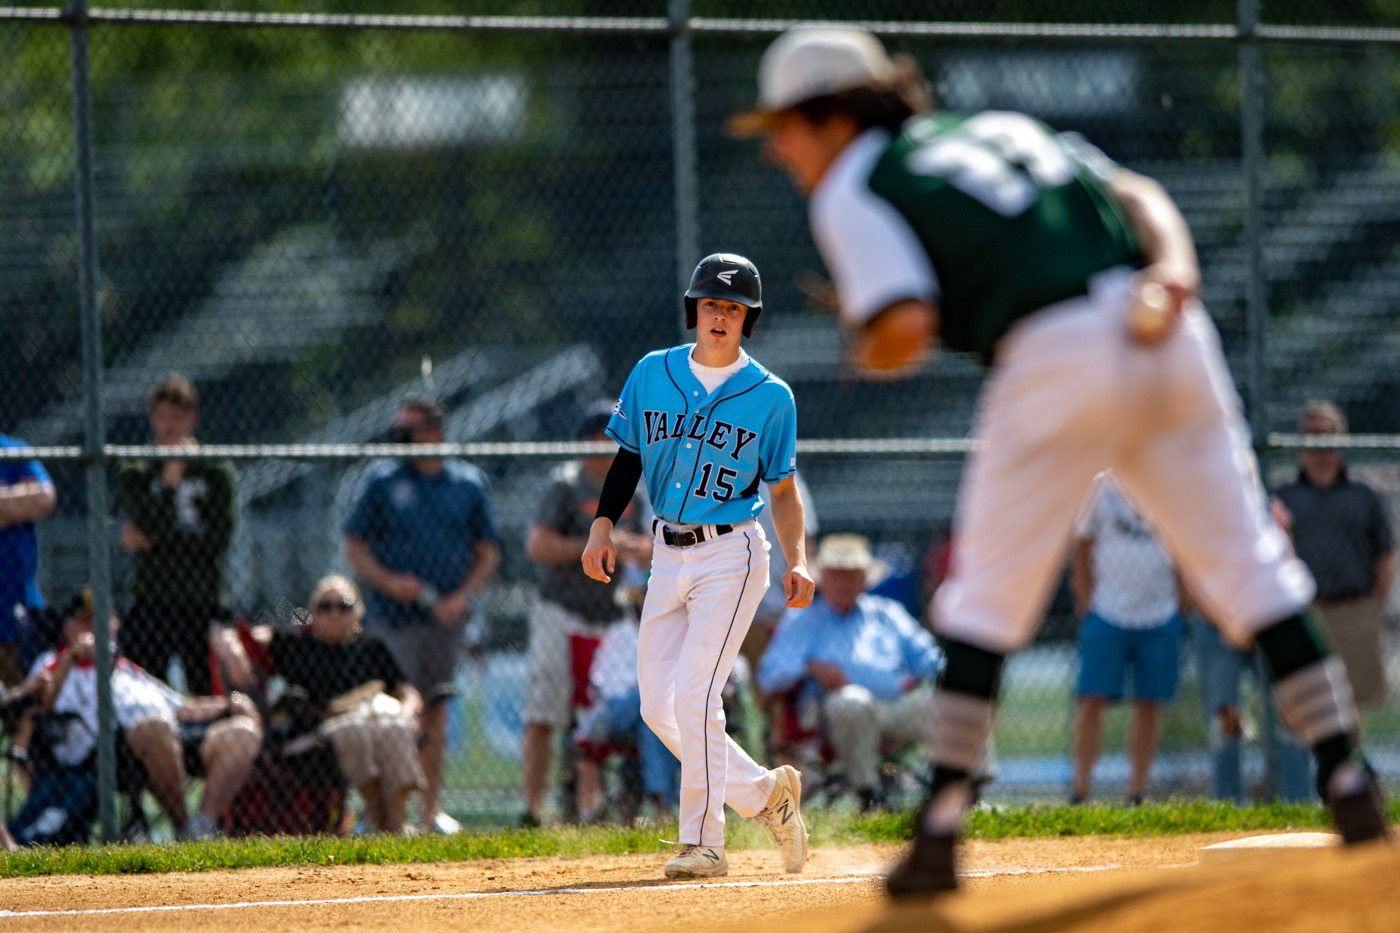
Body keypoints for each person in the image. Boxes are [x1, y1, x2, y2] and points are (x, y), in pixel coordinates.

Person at [731, 26, 1390, 896]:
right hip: (1168, 333)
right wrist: (1177, 272)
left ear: (831, 115)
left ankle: (939, 831)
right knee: (1251, 570)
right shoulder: (1004, 127)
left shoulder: (854, 184)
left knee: (987, 594)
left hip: (1051, 352)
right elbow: (1139, 192)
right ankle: (1349, 776)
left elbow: (905, 329)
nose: (778, 146)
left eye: (787, 125)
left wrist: (862, 338)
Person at [582, 253, 817, 880]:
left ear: (748, 320)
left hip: (732, 554)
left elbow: (784, 492)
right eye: (712, 304)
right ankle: (768, 797)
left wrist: (798, 558)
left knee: (696, 695)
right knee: (658, 706)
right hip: (666, 553)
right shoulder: (651, 373)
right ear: (696, 310)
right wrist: (602, 524)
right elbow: (628, 458)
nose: (721, 316)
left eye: (734, 308)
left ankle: (704, 843)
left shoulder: (770, 396)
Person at [343, 396, 500, 834]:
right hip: (393, 619)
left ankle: (430, 813)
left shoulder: (467, 483)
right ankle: (383, 816)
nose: (400, 442)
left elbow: (487, 553)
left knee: (436, 711)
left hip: (446, 620)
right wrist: (392, 583)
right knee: (389, 712)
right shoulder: (381, 481)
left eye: (408, 433)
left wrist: (462, 597)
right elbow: (354, 547)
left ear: (434, 433)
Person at [10, 588, 261, 844]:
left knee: (243, 732)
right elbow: (40, 705)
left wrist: (234, 702)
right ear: (67, 628)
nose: (93, 629)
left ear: (114, 626)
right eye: (85, 622)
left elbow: (184, 708)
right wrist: (71, 657)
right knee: (156, 726)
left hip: (167, 738)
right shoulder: (53, 662)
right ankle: (184, 829)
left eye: (101, 621)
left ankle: (202, 824)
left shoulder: (126, 667)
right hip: (108, 751)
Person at [520, 401, 652, 827]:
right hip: (561, 608)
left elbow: (657, 547)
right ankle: (532, 811)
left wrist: (630, 548)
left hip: (613, 616)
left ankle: (591, 809)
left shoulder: (637, 487)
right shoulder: (565, 484)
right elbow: (538, 546)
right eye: (598, 436)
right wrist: (599, 544)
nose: (605, 444)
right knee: (545, 709)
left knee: (599, 713)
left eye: (612, 436)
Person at [212, 575, 426, 834]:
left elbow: (408, 692)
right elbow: (238, 634)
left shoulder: (371, 647)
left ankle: (396, 825)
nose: (334, 613)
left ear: (358, 612)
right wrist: (231, 650)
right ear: (312, 614)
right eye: (325, 607)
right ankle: (386, 823)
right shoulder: (295, 641)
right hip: (320, 731)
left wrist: (406, 714)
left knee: (397, 730)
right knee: (356, 729)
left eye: (344, 606)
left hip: (378, 719)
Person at [757, 534, 942, 812]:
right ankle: (869, 797)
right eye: (836, 575)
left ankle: (970, 793)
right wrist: (810, 668)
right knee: (851, 701)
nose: (844, 582)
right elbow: (769, 675)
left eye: (852, 575)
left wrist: (957, 675)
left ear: (864, 579)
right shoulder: (804, 619)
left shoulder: (887, 613)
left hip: (895, 709)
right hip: (832, 717)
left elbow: (930, 659)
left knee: (956, 702)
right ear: (823, 578)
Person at [1069, 474, 1185, 806]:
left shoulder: (1171, 482)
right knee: (1091, 700)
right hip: (1107, 611)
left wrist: (1182, 604)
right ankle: (1080, 792)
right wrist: (1086, 602)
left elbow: (1188, 547)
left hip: (1161, 612)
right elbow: (1081, 546)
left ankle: (1137, 794)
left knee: (1149, 704)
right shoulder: (1100, 487)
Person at [117, 375, 237, 696]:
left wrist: (153, 539)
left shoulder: (214, 470)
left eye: (177, 417)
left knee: (206, 691)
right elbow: (145, 520)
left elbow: (218, 541)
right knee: (140, 689)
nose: (169, 426)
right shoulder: (138, 469)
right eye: (162, 417)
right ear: (151, 419)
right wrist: (169, 483)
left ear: (192, 419)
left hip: (202, 598)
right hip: (152, 597)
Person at [1273, 401, 1395, 713]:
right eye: (1312, 434)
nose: (1320, 441)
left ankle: (1349, 763)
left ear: (1342, 438)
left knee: (1353, 706)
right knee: (1305, 707)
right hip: (1305, 614)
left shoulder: (1364, 495)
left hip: (1355, 609)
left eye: (1328, 433)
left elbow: (1385, 555)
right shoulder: (1285, 497)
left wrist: (1372, 608)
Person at [1190, 614, 1311, 803]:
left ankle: (1300, 802)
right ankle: (1228, 805)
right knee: (1226, 718)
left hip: (1269, 620)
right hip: (1214, 623)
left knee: (1287, 715)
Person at [572, 616, 681, 821]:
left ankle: (662, 808)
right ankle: (663, 806)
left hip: (650, 713)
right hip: (615, 709)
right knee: (649, 701)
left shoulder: (673, 631)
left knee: (651, 724)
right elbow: (600, 678)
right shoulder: (620, 632)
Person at [0, 432, 57, 686]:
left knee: (20, 703)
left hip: (14, 607)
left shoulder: (12, 450)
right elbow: (29, 501)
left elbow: (44, 499)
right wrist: (14, 505)